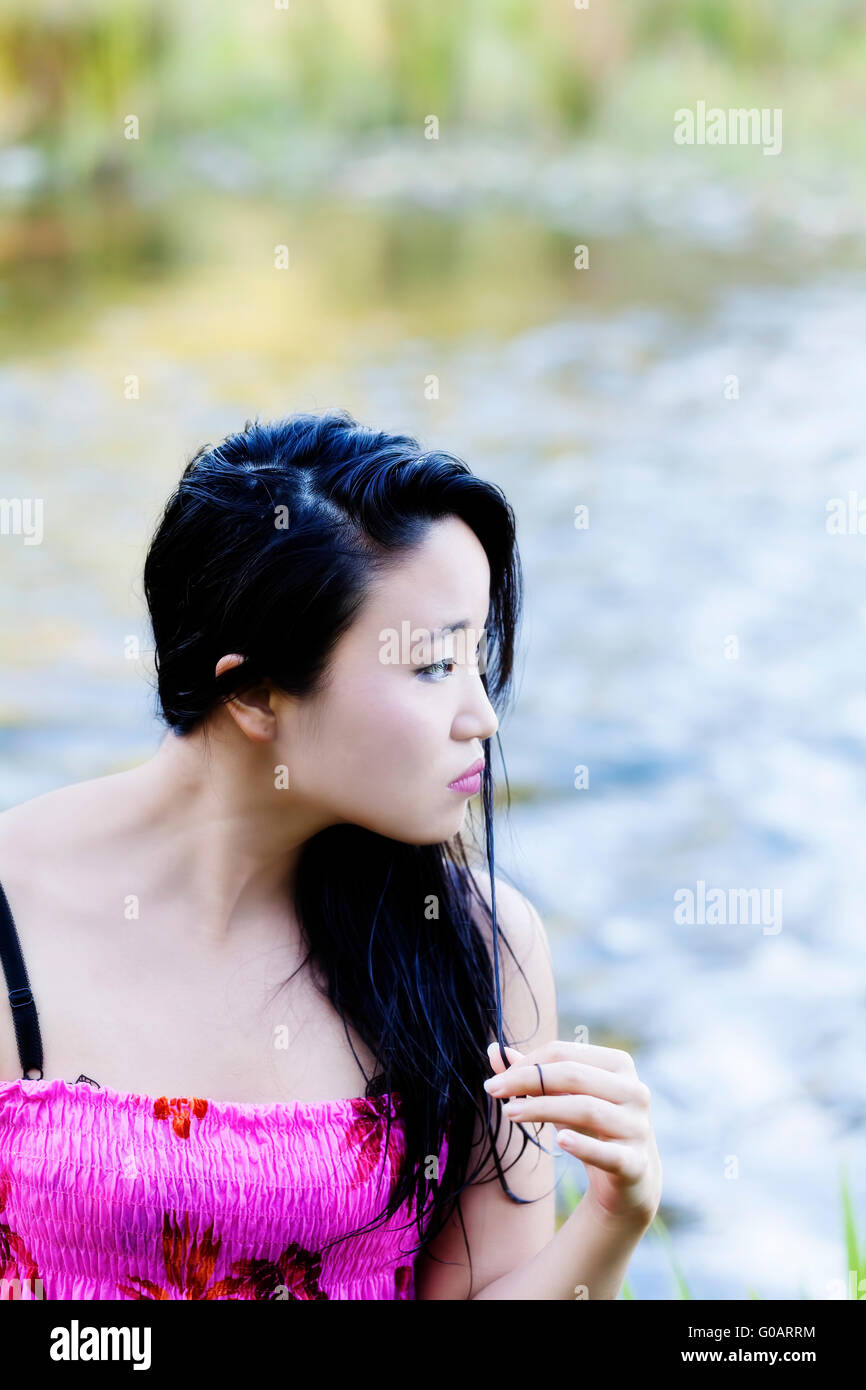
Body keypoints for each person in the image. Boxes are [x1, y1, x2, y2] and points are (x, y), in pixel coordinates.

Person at [0, 409, 660, 1300]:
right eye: (432, 667)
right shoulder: (14, 909)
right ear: (256, 693)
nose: (483, 717)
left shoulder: (479, 944)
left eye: (479, 657)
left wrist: (614, 1219)